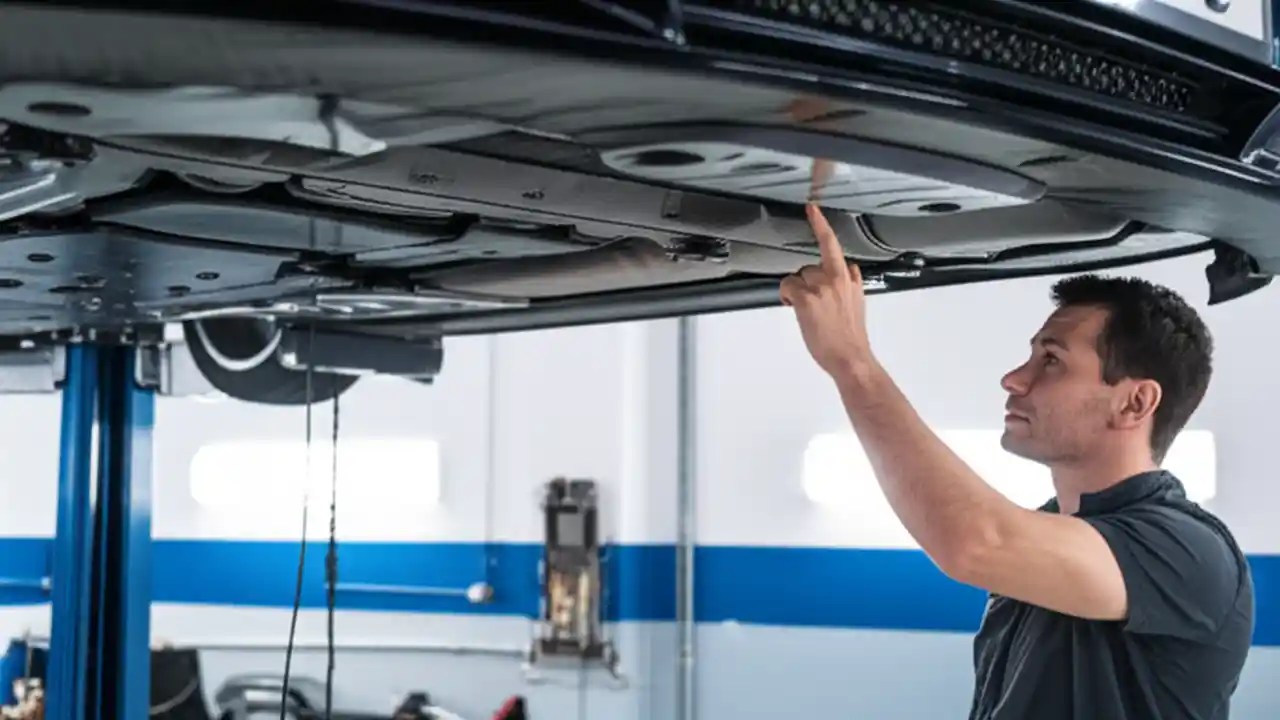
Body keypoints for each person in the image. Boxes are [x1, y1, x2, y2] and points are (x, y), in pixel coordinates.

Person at [779, 204, 1255, 720]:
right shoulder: (1046, 532)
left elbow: (976, 541)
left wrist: (853, 362)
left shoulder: (1190, 551)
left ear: (1135, 403)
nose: (1014, 378)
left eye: (1051, 360)